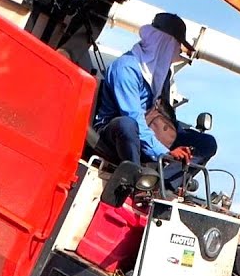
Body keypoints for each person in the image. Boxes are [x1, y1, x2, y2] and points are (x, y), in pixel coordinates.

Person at [92, 12, 217, 187]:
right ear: (165, 42)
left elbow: (163, 113)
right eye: (177, 45)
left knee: (206, 143)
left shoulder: (162, 74)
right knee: (127, 125)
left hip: (147, 126)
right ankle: (135, 180)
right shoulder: (126, 68)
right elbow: (134, 117)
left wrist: (178, 141)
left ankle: (162, 185)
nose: (178, 50)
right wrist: (164, 152)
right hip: (115, 130)